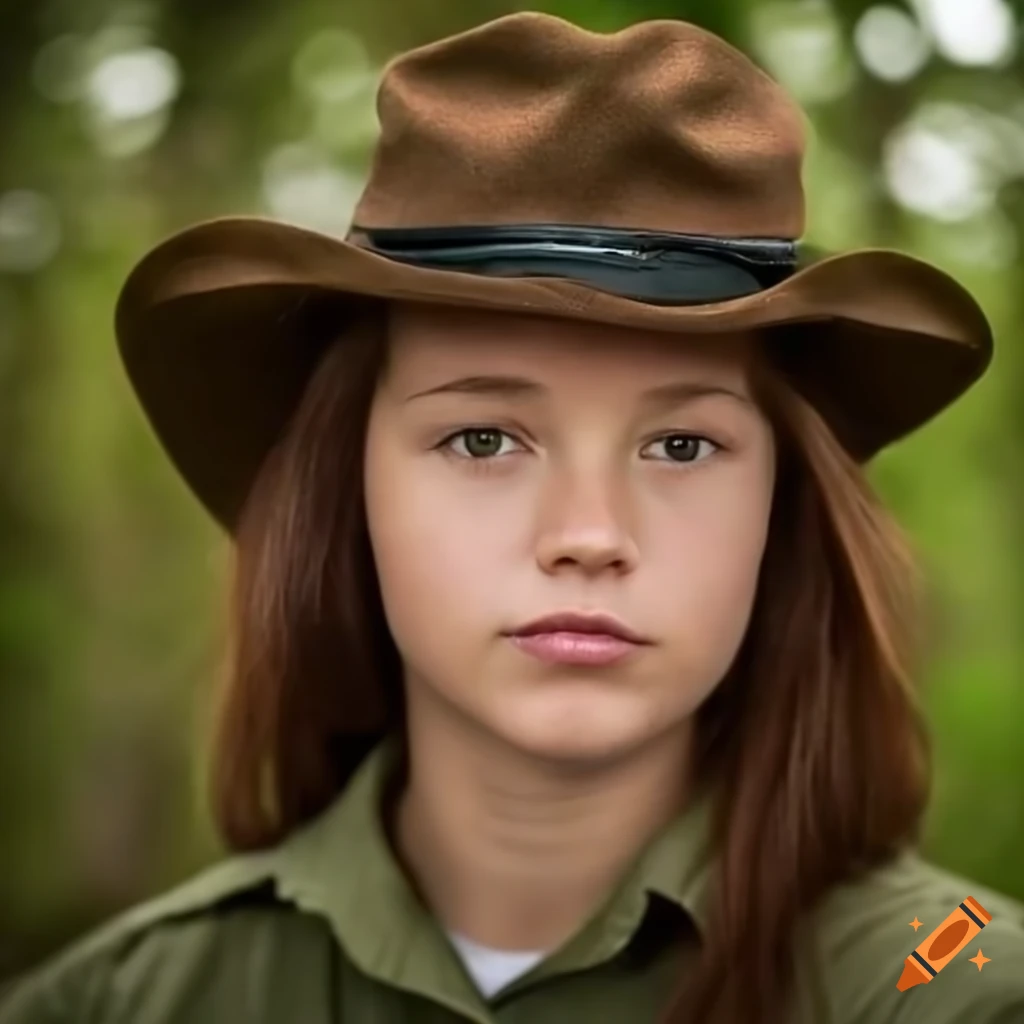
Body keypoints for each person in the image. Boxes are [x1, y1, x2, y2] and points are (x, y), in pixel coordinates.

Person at [2, 10, 1023, 1024]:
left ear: (780, 510)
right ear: (345, 488)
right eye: (483, 439)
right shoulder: (121, 1001)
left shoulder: (952, 989)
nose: (587, 533)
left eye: (680, 445)